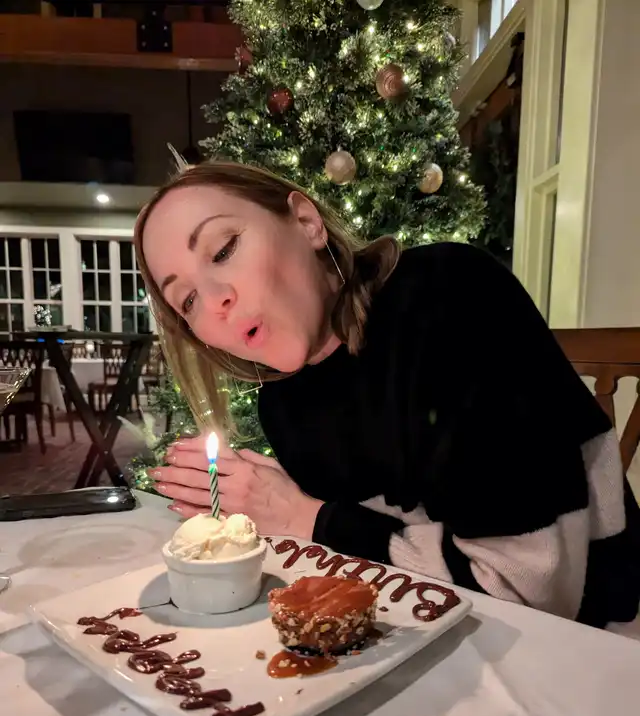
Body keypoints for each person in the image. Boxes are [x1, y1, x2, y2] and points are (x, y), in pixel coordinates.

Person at [134, 160, 640, 630]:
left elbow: (519, 592)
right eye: (188, 300)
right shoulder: (283, 405)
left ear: (306, 222)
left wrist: (303, 516)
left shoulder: (450, 297)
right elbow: (366, 582)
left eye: (223, 249)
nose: (216, 301)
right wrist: (289, 513)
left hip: (591, 648)